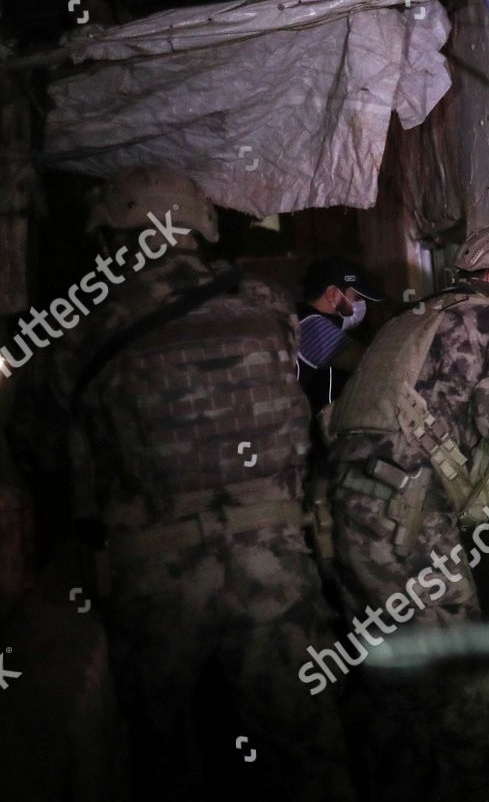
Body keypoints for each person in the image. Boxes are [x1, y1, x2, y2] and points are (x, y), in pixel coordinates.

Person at [54, 167, 352, 800]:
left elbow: (48, 448)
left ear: (112, 234)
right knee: (305, 743)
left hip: (155, 572)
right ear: (199, 226)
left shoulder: (85, 322)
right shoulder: (265, 301)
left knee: (165, 754)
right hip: (275, 557)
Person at [325, 223, 489, 802]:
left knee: (386, 665)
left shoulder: (406, 322)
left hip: (341, 511)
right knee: (461, 673)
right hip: (407, 516)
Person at [297, 257, 384, 417]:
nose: (361, 304)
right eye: (357, 298)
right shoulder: (313, 328)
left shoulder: (304, 319)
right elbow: (372, 363)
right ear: (332, 294)